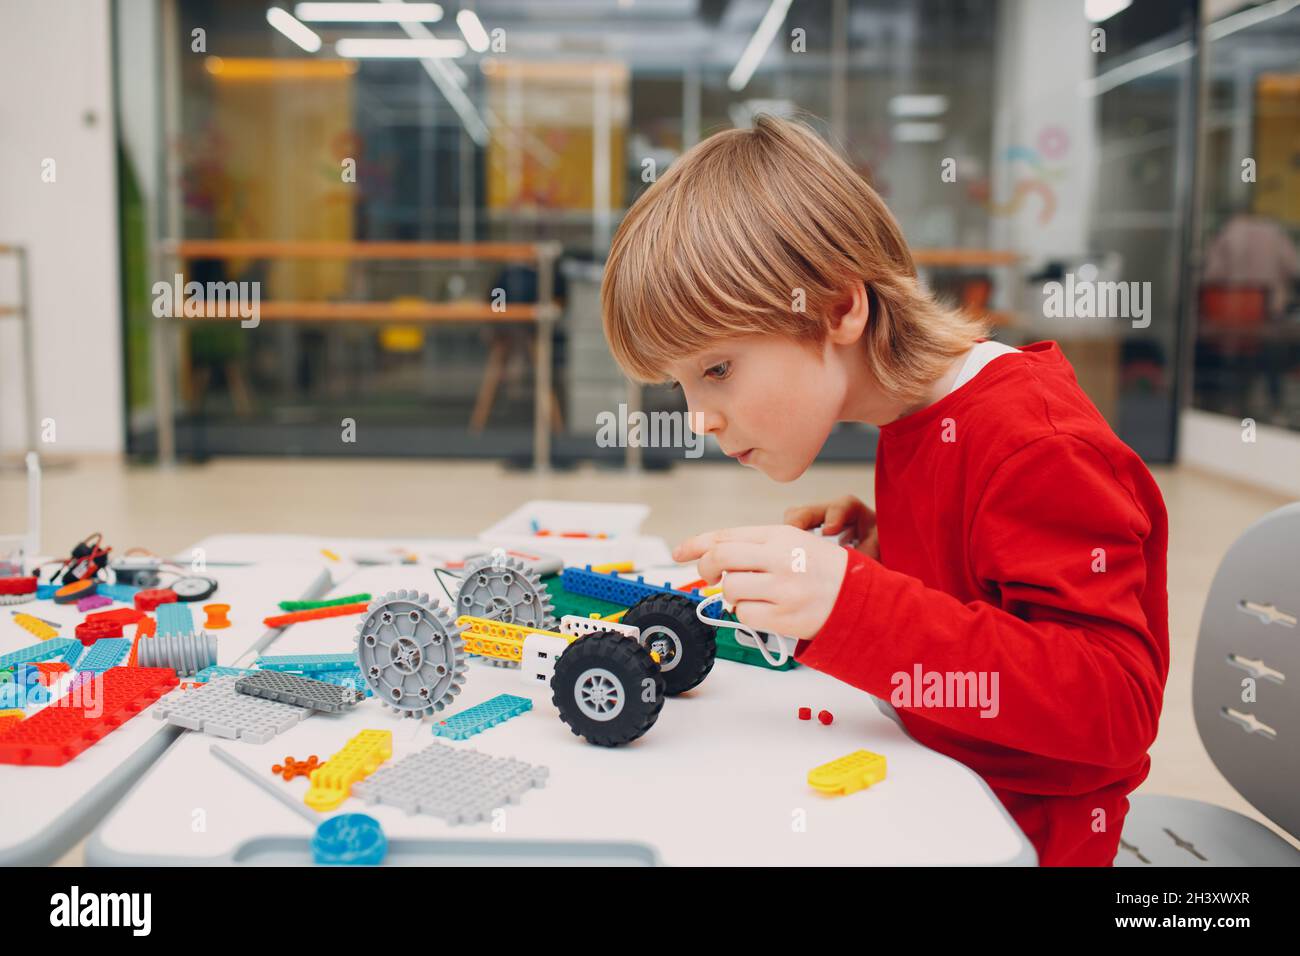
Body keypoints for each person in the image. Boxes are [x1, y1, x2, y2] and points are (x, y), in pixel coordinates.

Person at [600, 115, 1169, 866]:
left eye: (716, 370)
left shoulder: (1034, 440)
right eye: (680, 385)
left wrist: (857, 603)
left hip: (1023, 835)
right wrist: (887, 554)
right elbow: (991, 606)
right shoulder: (919, 416)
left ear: (841, 307)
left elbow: (1115, 704)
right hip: (941, 784)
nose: (699, 417)